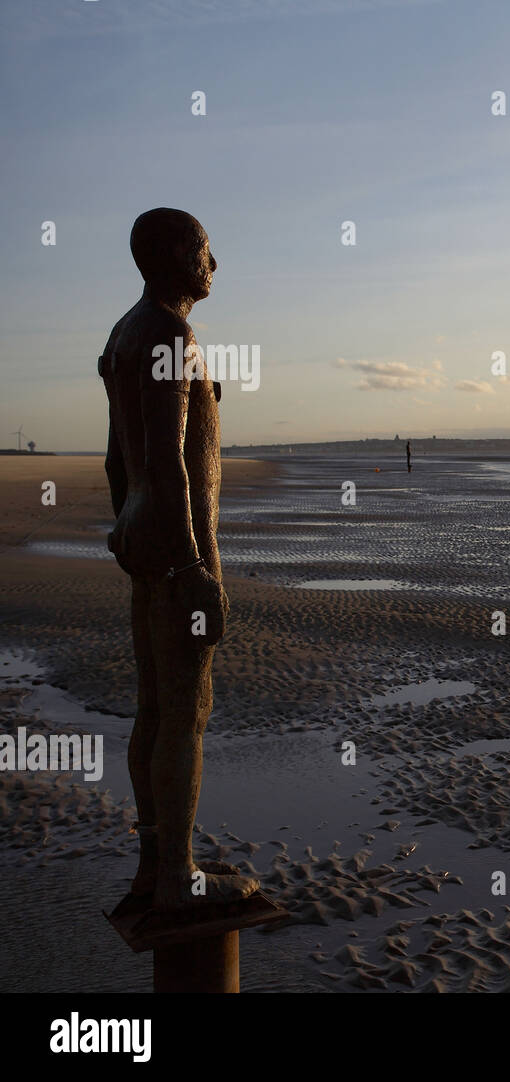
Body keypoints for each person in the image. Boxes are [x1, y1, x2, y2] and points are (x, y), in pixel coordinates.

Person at [100, 208, 259, 911]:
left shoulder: (124, 334)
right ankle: (177, 878)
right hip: (176, 550)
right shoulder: (170, 332)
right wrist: (195, 569)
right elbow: (165, 459)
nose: (213, 262)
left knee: (153, 708)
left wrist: (125, 526)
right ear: (172, 255)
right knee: (186, 711)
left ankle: (154, 863)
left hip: (145, 545)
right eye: (203, 250)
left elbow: (118, 458)